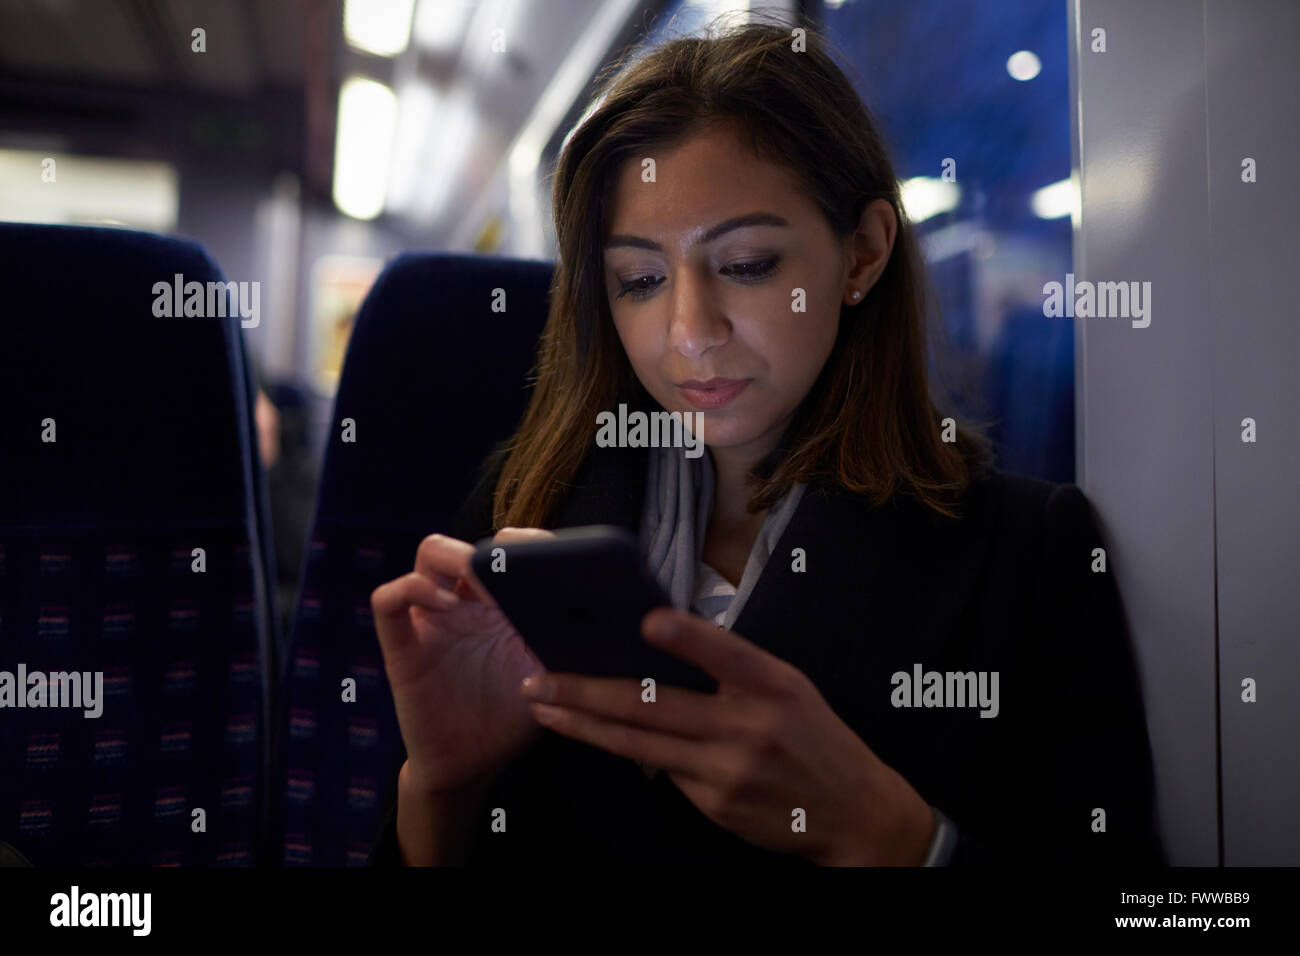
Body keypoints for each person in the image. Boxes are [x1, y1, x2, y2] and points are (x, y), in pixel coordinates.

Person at [367, 18, 1163, 866]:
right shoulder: (522, 506)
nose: (689, 332)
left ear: (862, 255)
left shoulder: (1029, 556)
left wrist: (896, 837)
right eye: (640, 279)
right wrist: (440, 788)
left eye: (747, 265)